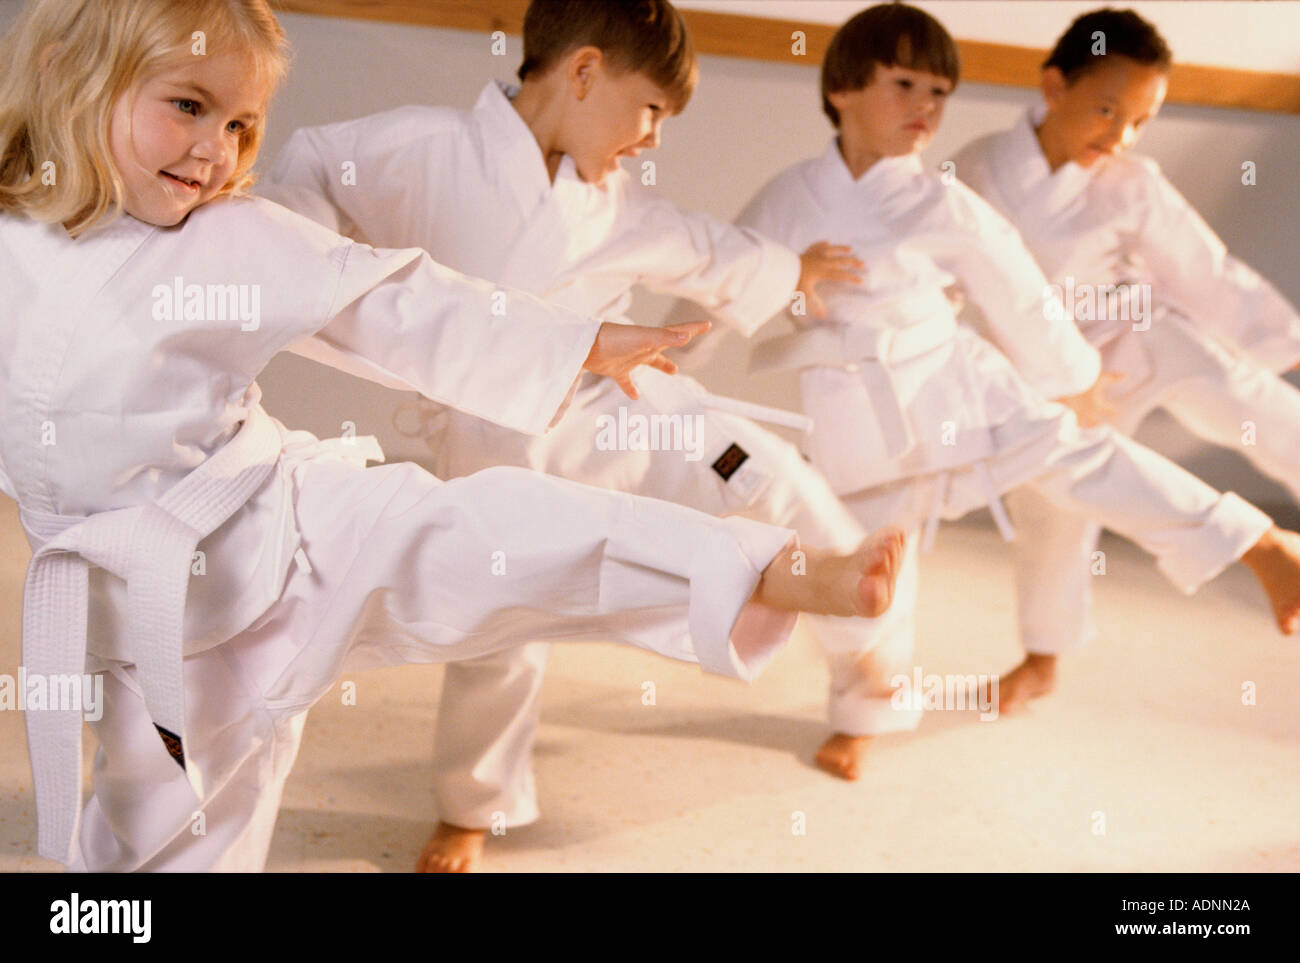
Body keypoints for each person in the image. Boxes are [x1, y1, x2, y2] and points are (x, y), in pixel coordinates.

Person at [0, 0, 903, 872]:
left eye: (240, 125)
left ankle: (771, 571)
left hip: (327, 507)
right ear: (66, 71)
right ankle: (478, 797)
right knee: (163, 835)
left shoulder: (237, 239)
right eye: (190, 106)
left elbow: (398, 298)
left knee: (522, 535)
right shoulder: (30, 238)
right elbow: (326, 187)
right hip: (163, 602)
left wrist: (590, 339)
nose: (217, 151)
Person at [729, 2, 1300, 776]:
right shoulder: (910, 179)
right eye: (906, 85)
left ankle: (1254, 539)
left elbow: (1163, 277)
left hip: (1057, 355)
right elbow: (730, 272)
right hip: (925, 387)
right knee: (912, 548)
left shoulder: (1059, 188)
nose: (927, 109)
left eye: (939, 92)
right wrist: (675, 342)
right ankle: (886, 700)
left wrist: (1079, 378)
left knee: (1162, 430)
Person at [952, 7, 1300, 708]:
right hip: (1051, 378)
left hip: (1140, 337)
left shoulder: (1131, 181)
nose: (1120, 134)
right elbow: (944, 278)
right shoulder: (978, 169)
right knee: (1056, 508)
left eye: (1139, 121)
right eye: (1107, 109)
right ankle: (1041, 658)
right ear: (1055, 86)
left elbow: (1207, 273)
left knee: (1247, 401)